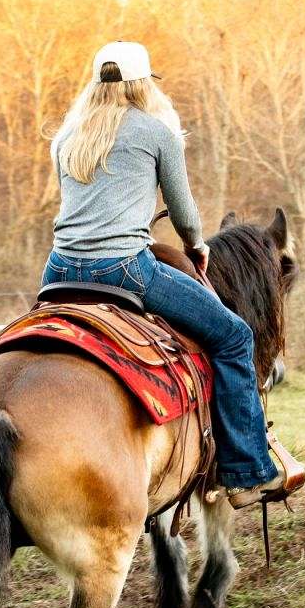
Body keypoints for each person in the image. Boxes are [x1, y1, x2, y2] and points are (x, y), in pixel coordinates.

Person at [42, 40, 284, 508]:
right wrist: (196, 246)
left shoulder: (66, 138)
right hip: (125, 269)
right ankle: (247, 470)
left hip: (59, 269)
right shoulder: (155, 132)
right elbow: (184, 213)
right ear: (142, 85)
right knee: (233, 336)